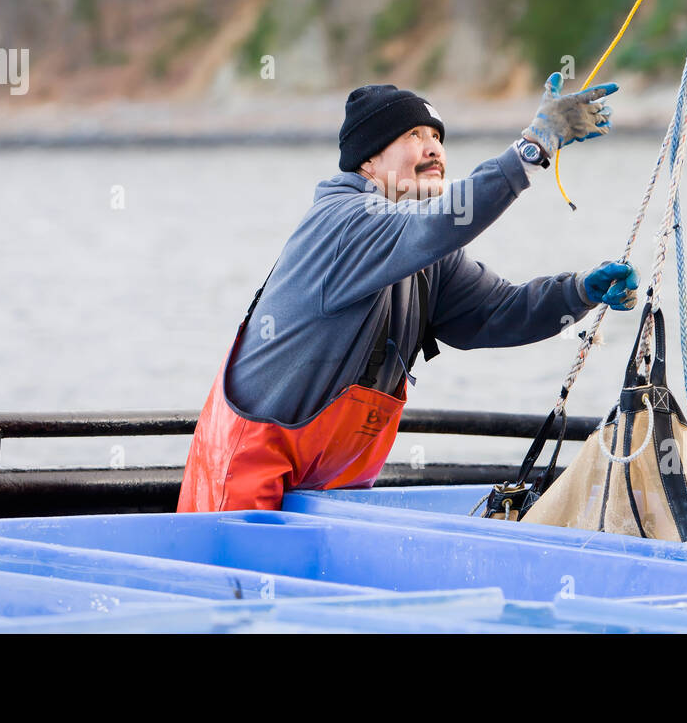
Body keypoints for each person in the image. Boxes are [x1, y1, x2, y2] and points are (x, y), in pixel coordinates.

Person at [177, 72, 641, 512]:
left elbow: (498, 312)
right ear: (369, 159)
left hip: (329, 494)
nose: (433, 147)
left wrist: (579, 292)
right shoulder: (344, 221)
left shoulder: (425, 252)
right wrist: (532, 149)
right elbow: (447, 219)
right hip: (242, 486)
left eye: (437, 136)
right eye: (414, 135)